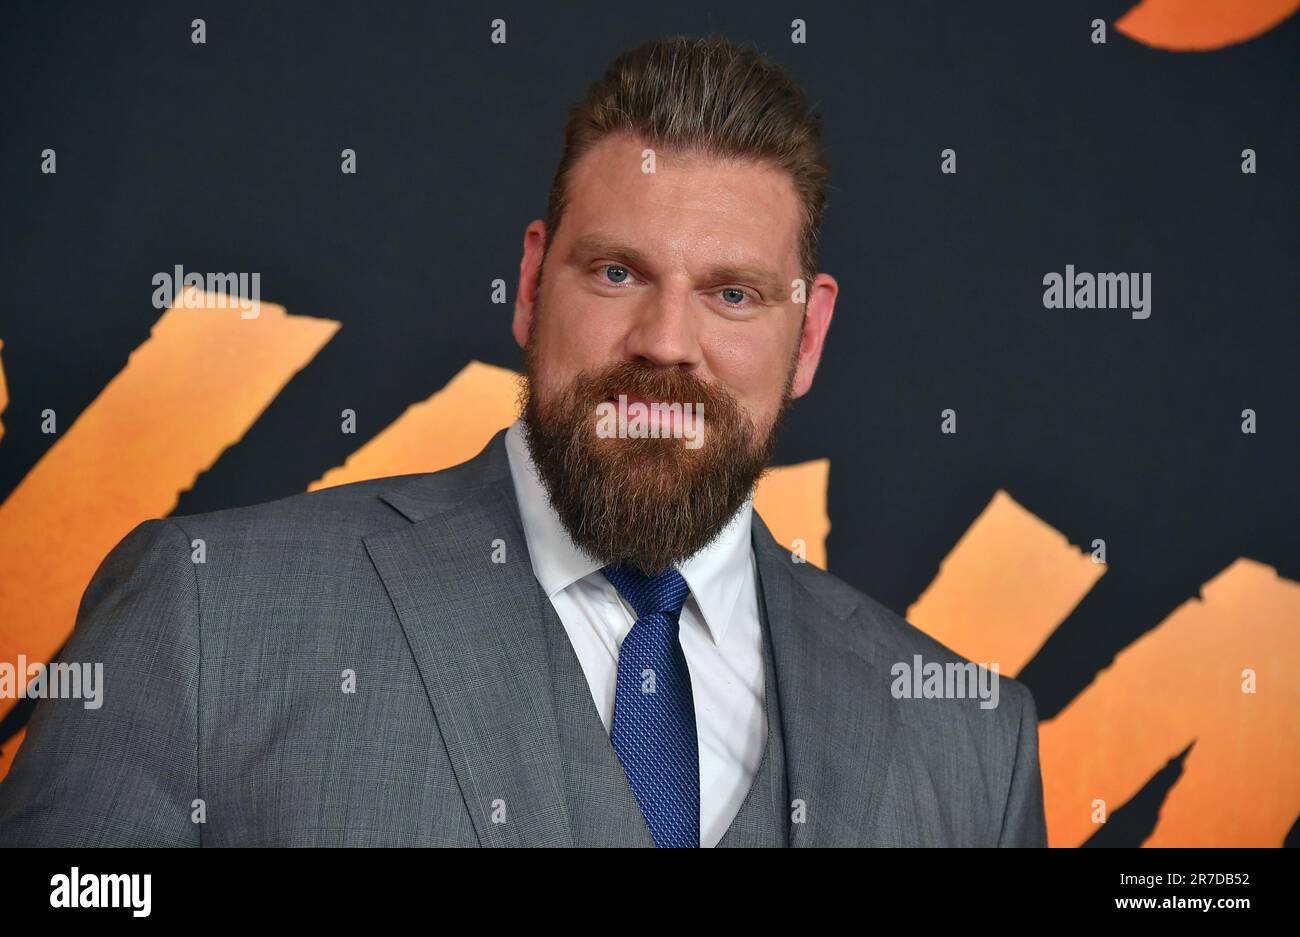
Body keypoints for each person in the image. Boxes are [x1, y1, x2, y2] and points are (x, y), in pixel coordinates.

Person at [0, 34, 1046, 847]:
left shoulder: (967, 743)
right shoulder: (207, 616)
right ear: (532, 283)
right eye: (618, 273)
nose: (664, 343)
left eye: (731, 293)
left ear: (807, 335)